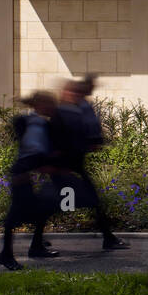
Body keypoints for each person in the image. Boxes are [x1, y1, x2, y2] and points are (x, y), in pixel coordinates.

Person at [51, 75, 127, 251]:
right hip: (64, 168)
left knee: (88, 201)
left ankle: (108, 238)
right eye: (73, 92)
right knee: (54, 205)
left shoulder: (73, 111)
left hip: (73, 166)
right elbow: (59, 140)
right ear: (66, 92)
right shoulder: (62, 112)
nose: (77, 95)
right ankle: (35, 243)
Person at [0, 91, 59, 270]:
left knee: (42, 210)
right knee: (14, 216)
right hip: (21, 172)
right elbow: (27, 147)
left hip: (31, 172)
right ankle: (6, 254)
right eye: (48, 104)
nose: (51, 108)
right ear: (39, 104)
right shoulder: (23, 121)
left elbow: (43, 149)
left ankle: (36, 247)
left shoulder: (45, 125)